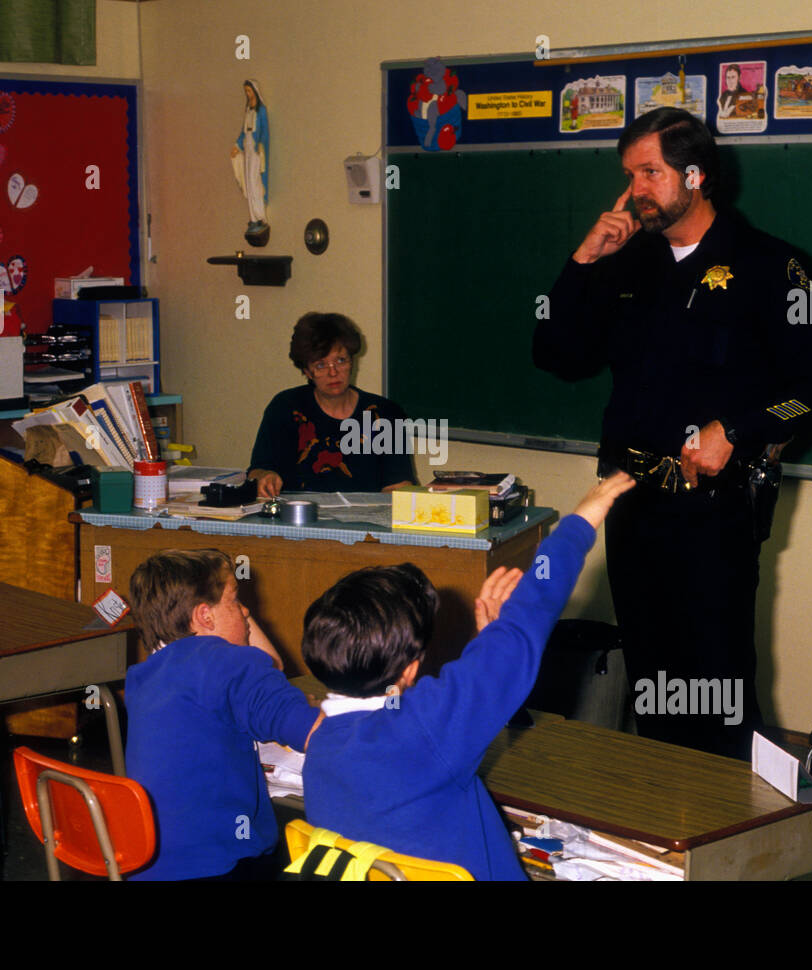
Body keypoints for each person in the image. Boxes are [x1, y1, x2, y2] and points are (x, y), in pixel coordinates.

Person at [532, 107, 812, 759]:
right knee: (653, 683)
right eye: (629, 175)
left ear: (696, 175)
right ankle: (665, 830)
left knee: (718, 687)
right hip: (631, 501)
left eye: (650, 172)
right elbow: (556, 355)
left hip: (714, 512)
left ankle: (739, 835)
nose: (635, 189)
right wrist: (584, 259)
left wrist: (738, 428)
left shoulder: (774, 267)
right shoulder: (625, 265)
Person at [301, 473, 635, 880]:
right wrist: (580, 523)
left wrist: (491, 646)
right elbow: (528, 617)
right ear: (410, 669)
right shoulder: (427, 727)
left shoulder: (319, 747)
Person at [124, 548, 323, 880]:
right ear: (204, 616)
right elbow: (317, 734)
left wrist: (227, 609)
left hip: (149, 865)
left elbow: (268, 665)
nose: (246, 612)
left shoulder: (143, 676)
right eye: (235, 601)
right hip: (219, 866)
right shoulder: (229, 666)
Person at [248, 312, 417, 498]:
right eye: (321, 365)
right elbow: (258, 471)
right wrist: (265, 477)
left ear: (352, 362)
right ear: (307, 371)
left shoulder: (386, 414)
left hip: (365, 525)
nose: (333, 372)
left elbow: (399, 486)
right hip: (296, 522)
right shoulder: (285, 408)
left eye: (340, 361)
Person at [231, 79, 269, 238]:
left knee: (255, 182)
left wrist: (260, 144)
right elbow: (243, 131)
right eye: (246, 91)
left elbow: (263, 131)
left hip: (255, 148)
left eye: (249, 91)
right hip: (247, 146)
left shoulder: (261, 111)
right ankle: (253, 218)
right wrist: (237, 145)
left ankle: (260, 217)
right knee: (248, 181)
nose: (248, 94)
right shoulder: (248, 110)